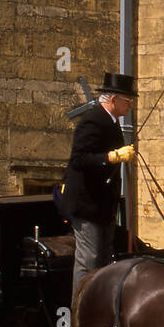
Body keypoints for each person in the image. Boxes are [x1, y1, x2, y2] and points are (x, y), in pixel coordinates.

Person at [63, 72, 136, 301]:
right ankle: (81, 307)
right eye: (127, 101)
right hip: (87, 204)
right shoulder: (93, 120)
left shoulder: (111, 122)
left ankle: (101, 305)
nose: (130, 106)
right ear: (113, 100)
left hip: (104, 205)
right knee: (90, 260)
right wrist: (111, 157)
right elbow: (79, 159)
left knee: (104, 259)